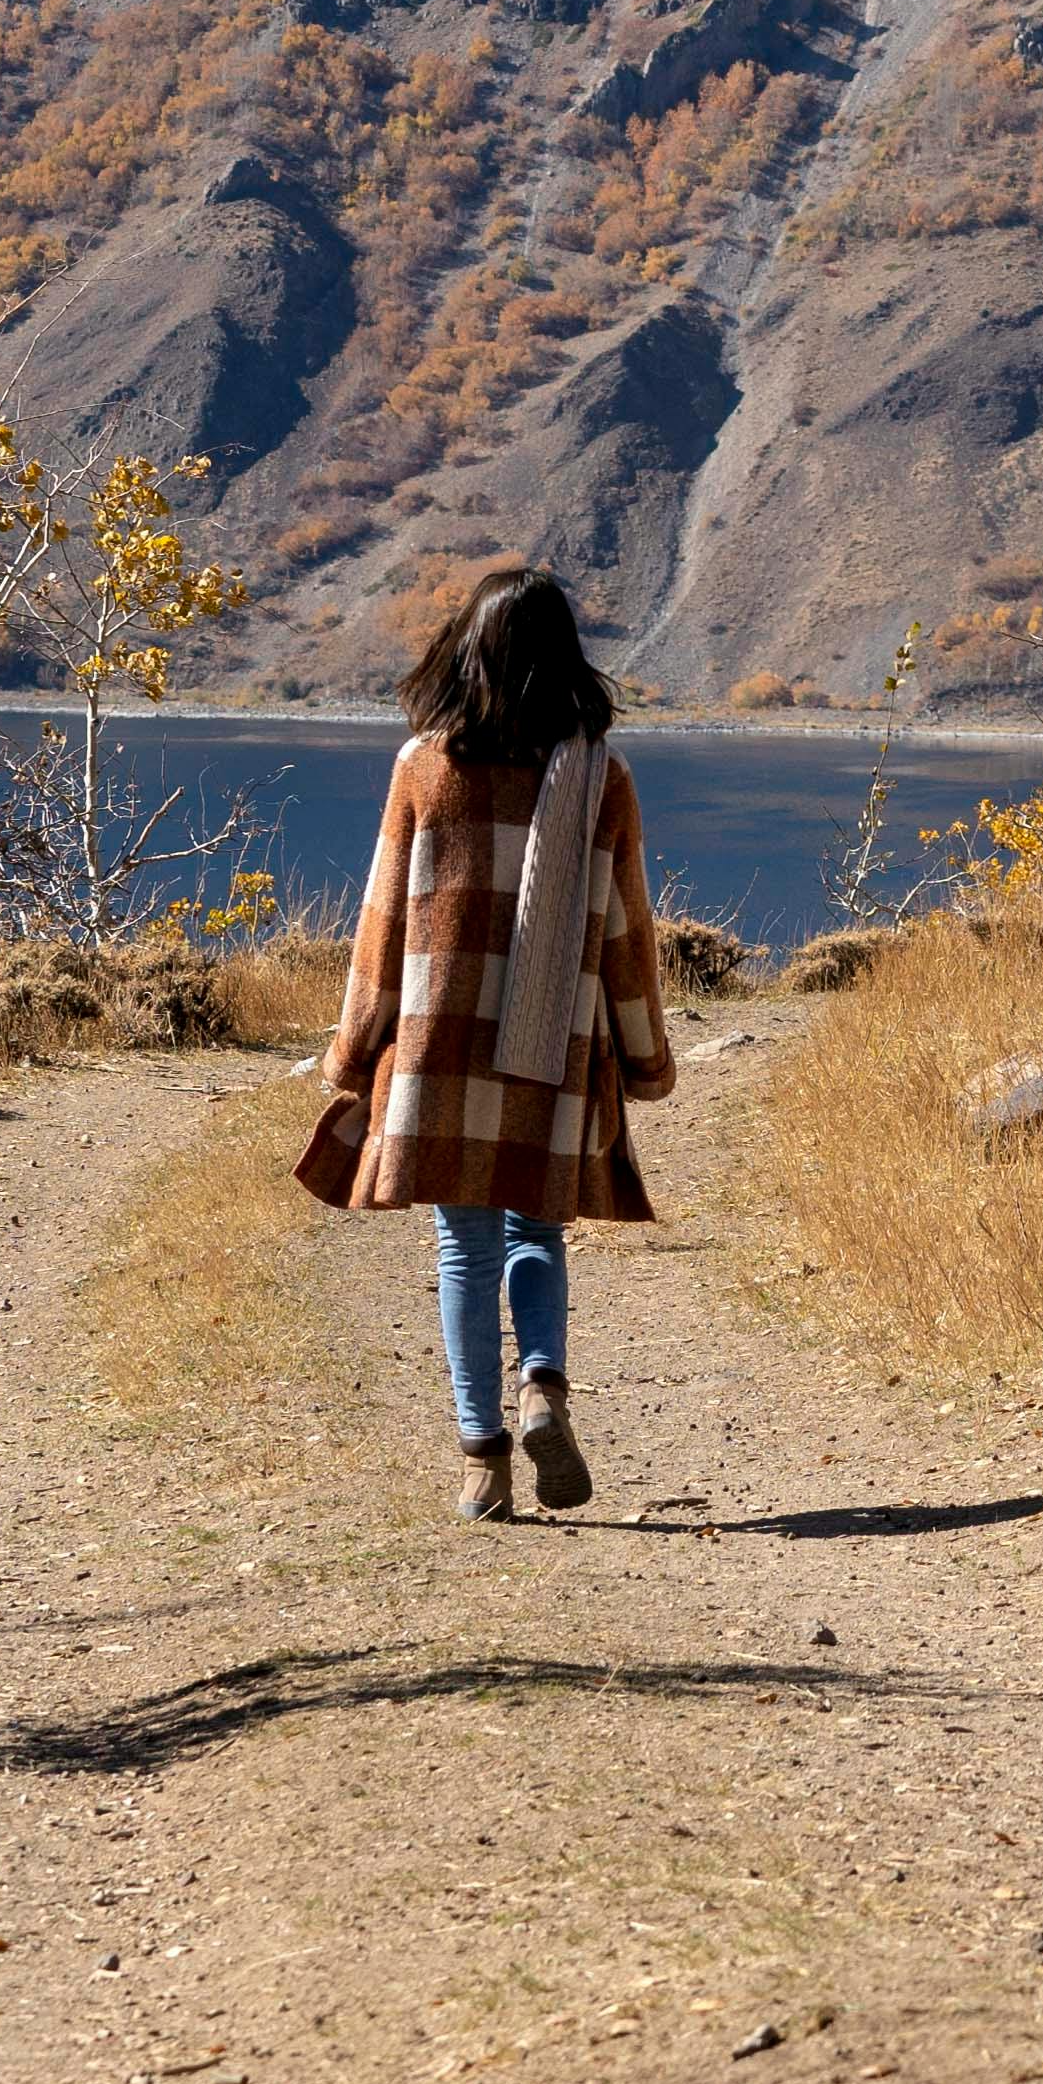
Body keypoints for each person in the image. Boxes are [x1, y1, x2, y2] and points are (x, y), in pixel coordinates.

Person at [318, 565, 678, 1520]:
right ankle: (543, 1389)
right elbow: (624, 932)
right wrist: (643, 1055)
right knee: (536, 1226)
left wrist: (354, 1051)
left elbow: (383, 918)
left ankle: (483, 1459)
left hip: (438, 1043)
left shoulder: (423, 766)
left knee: (462, 1246)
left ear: (465, 652)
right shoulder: (603, 775)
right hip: (550, 1039)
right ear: (564, 660)